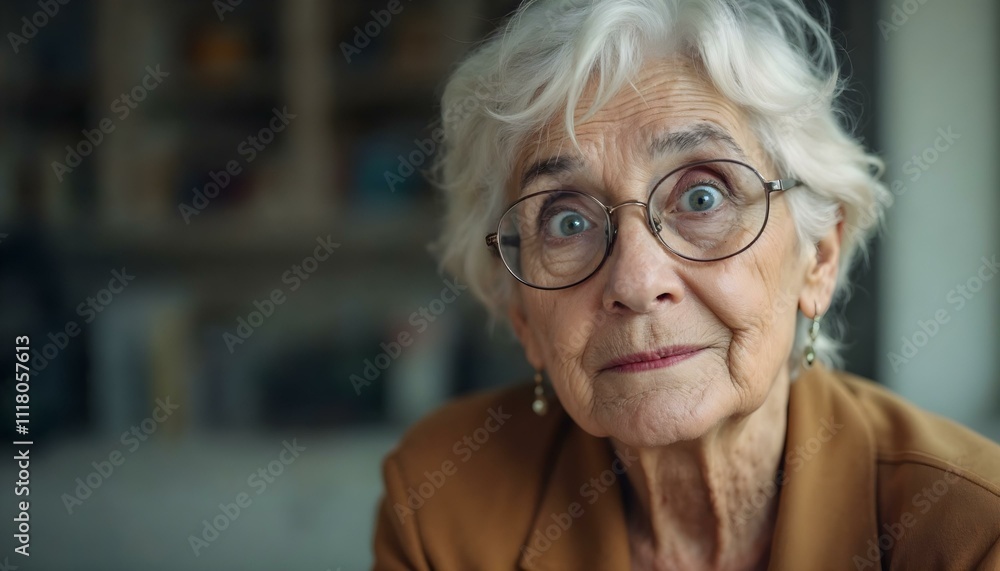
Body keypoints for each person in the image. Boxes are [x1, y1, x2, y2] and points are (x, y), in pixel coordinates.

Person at [373, 0, 1000, 568]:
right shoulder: (442, 501)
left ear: (820, 257)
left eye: (703, 196)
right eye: (566, 221)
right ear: (520, 314)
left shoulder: (971, 531)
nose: (638, 282)